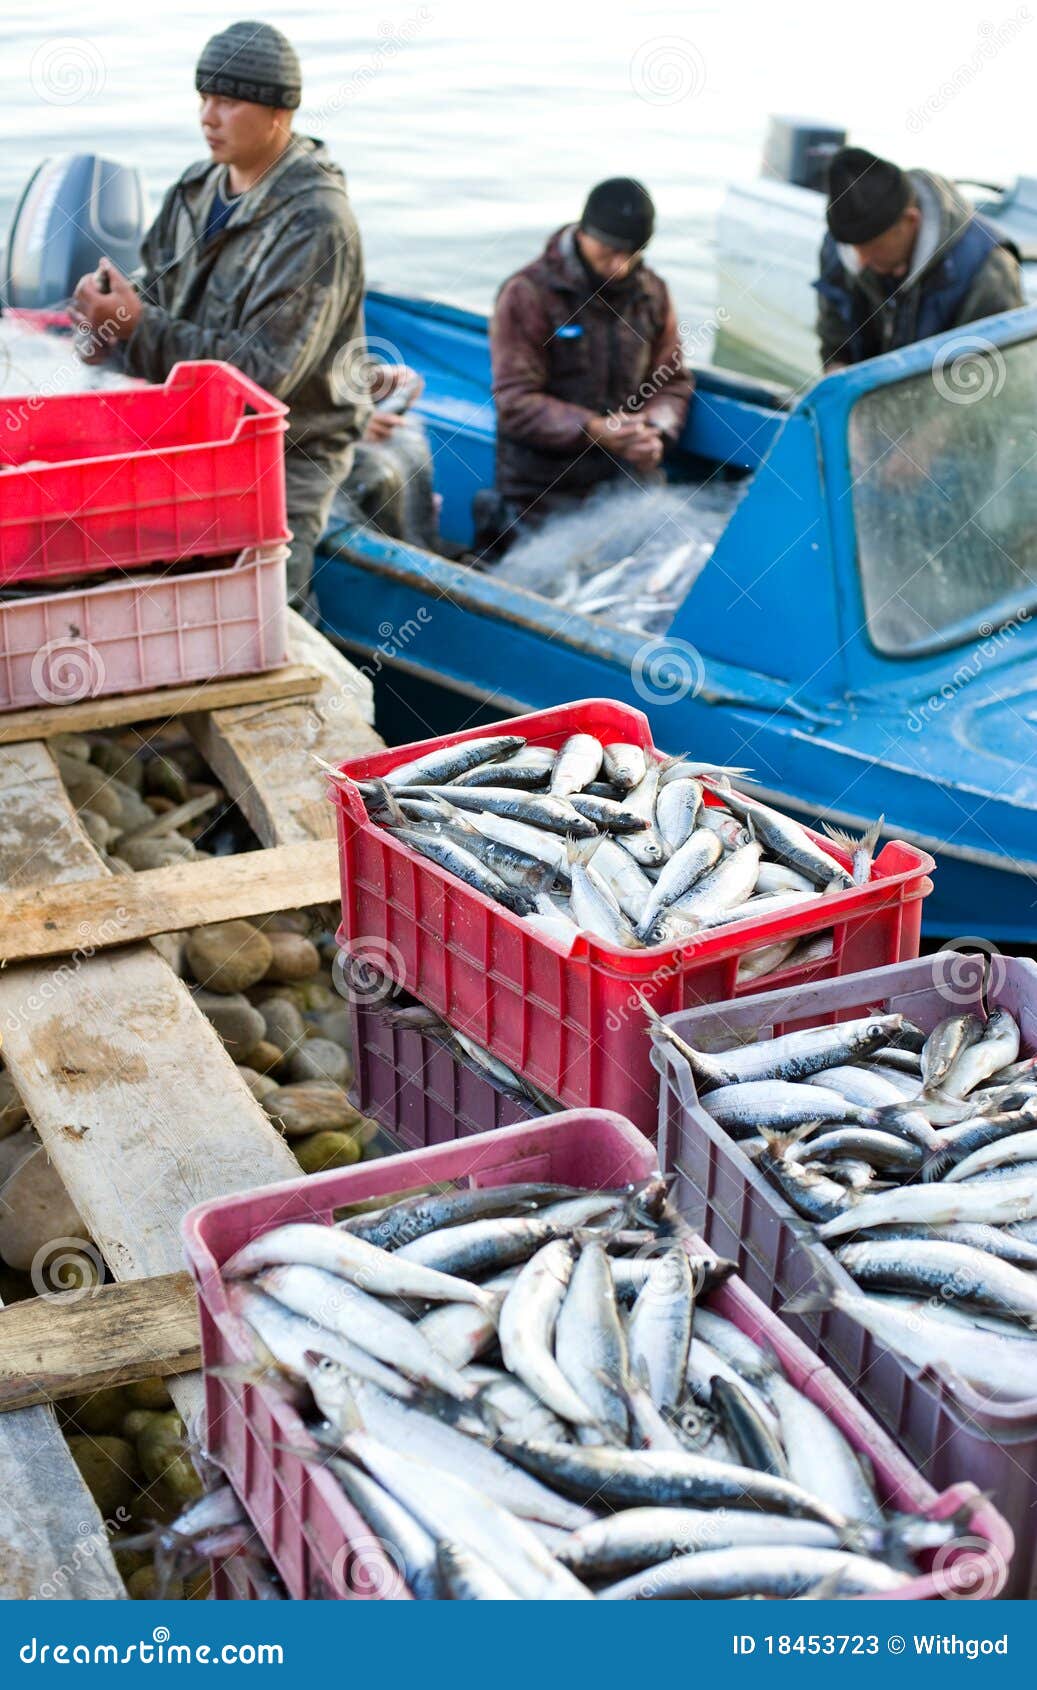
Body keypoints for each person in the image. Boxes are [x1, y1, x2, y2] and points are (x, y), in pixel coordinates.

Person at [70, 20, 369, 610]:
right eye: (204, 97)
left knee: (263, 623)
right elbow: (155, 288)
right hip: (188, 433)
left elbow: (264, 377)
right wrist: (108, 313)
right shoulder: (195, 185)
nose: (208, 116)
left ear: (280, 110)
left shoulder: (316, 222)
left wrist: (138, 326)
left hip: (285, 455)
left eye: (228, 100)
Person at [480, 178, 692, 558]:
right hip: (541, 489)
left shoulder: (653, 294)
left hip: (625, 479)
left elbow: (672, 381)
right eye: (609, 251)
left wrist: (654, 431)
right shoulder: (528, 294)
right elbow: (514, 402)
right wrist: (593, 430)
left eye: (632, 254)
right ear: (582, 233)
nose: (619, 266)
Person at [816, 145, 1023, 371]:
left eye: (875, 250)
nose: (861, 262)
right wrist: (837, 368)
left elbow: (991, 379)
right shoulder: (844, 246)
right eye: (855, 250)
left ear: (911, 221)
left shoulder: (989, 271)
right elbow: (835, 334)